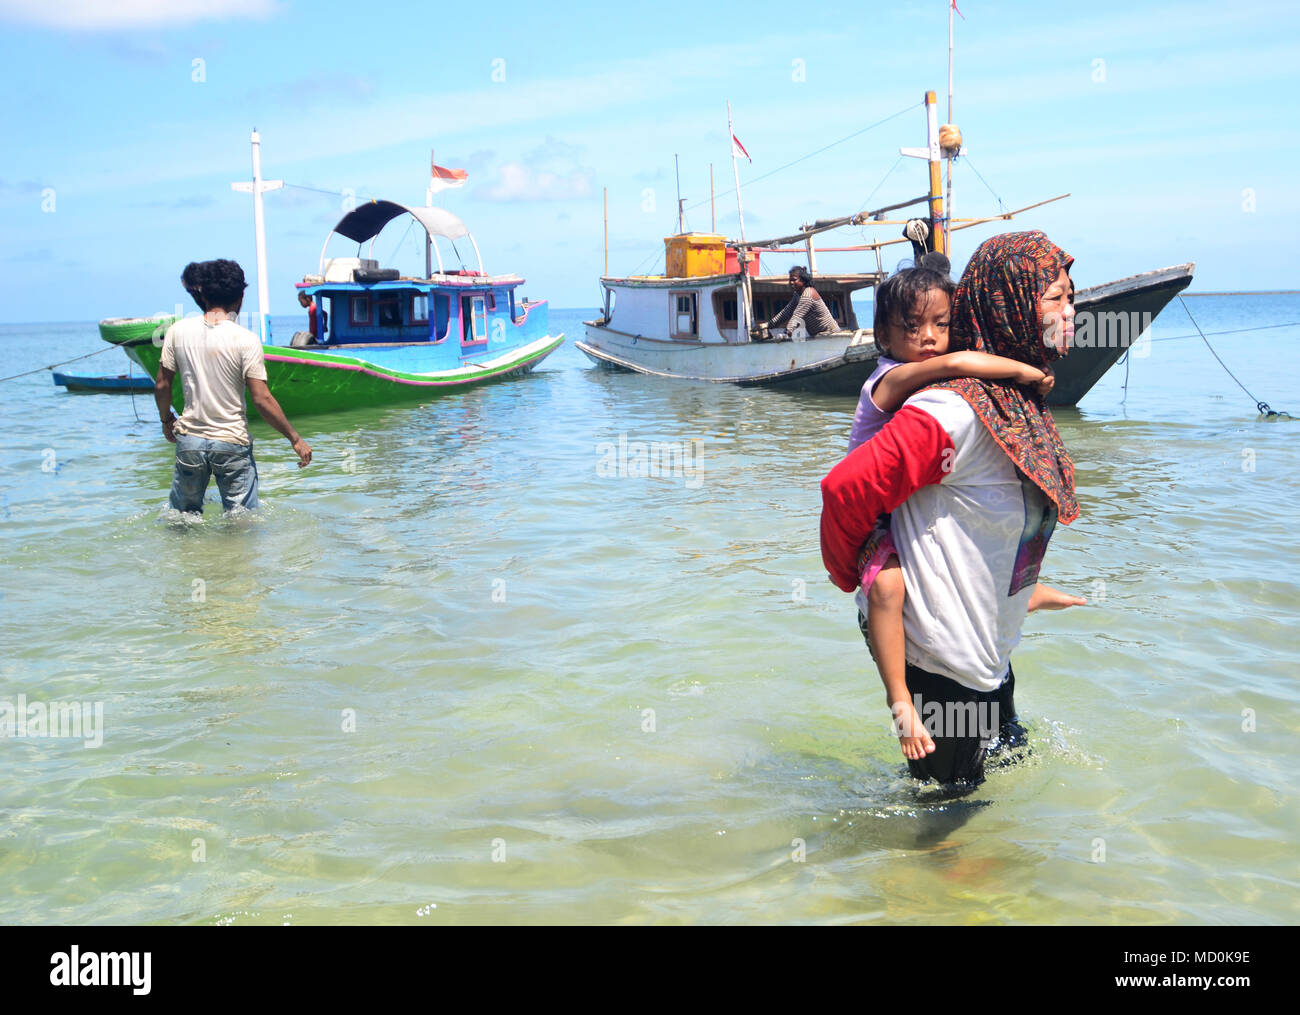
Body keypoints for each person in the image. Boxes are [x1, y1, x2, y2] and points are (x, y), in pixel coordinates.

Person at [820, 231, 1085, 788]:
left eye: (1071, 295)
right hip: (942, 668)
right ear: (1011, 304)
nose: (1073, 310)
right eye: (1057, 297)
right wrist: (862, 579)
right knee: (947, 835)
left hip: (988, 656)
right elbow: (846, 490)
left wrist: (1017, 594)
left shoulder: (1012, 404)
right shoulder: (950, 411)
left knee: (994, 793)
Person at [155, 259, 311, 514]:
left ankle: (184, 555)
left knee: (182, 518)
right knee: (242, 520)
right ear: (240, 296)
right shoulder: (246, 340)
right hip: (232, 442)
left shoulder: (177, 331)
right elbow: (262, 399)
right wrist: (295, 438)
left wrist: (165, 420)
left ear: (202, 293)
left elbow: (162, 385)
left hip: (190, 443)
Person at [766, 266, 838, 336]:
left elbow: (797, 316)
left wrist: (788, 331)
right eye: (790, 280)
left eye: (794, 280)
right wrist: (768, 325)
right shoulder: (797, 295)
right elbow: (786, 312)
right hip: (818, 335)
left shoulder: (808, 295)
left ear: (803, 280)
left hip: (830, 334)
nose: (791, 282)